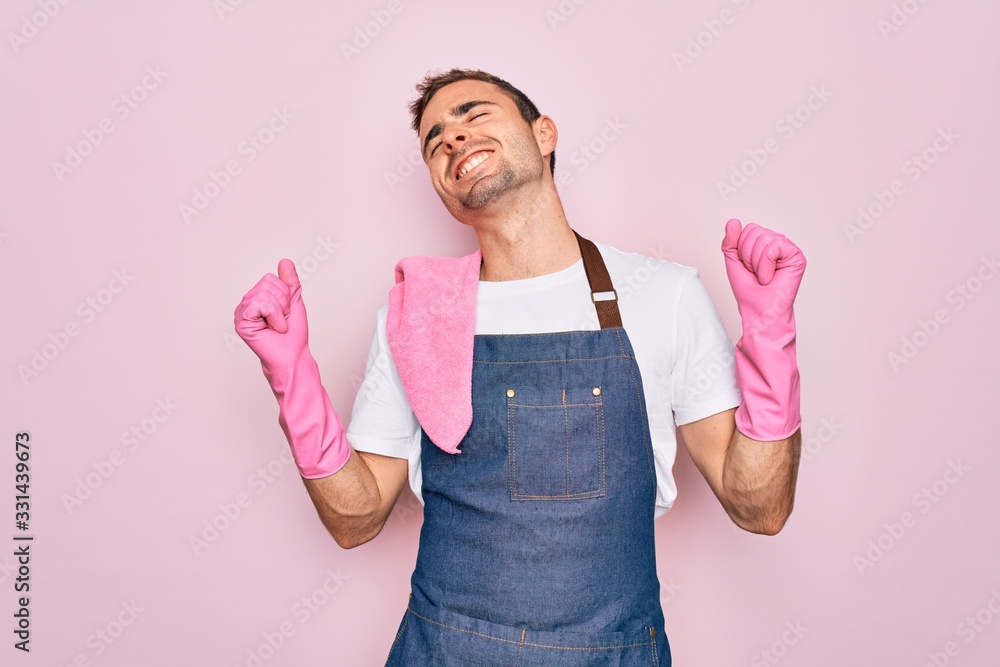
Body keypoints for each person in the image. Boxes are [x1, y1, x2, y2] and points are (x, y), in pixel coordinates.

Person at [234, 68, 806, 666]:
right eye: (434, 141)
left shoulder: (663, 293)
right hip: (446, 653)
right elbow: (356, 518)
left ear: (545, 133)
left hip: (613, 654)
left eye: (474, 115)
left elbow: (759, 507)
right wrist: (293, 377)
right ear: (442, 189)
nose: (451, 138)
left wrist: (770, 337)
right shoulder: (416, 315)